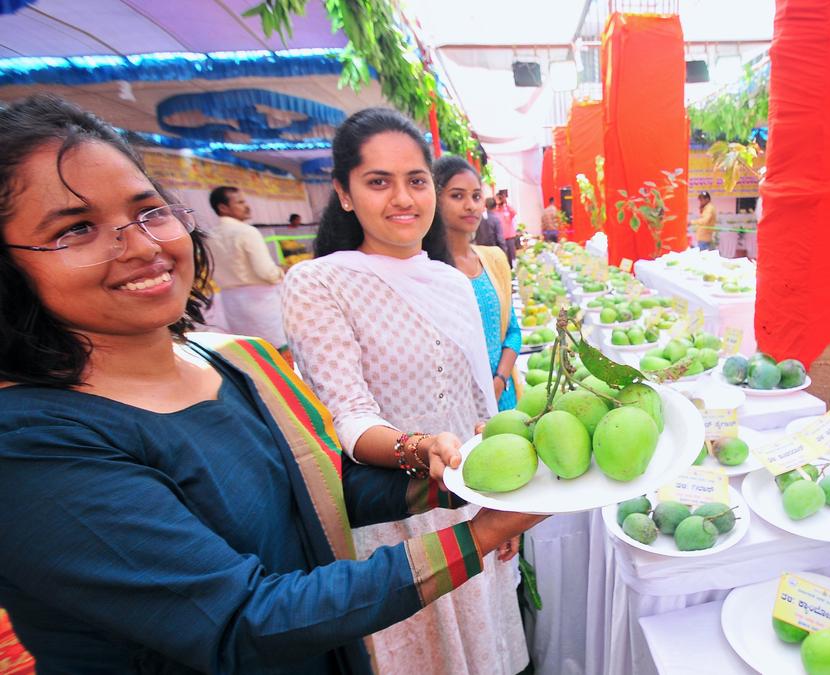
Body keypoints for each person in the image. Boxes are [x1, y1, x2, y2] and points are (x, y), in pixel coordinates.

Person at [0, 94, 543, 674]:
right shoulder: (32, 443)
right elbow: (242, 620)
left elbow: (315, 495)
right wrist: (479, 535)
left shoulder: (228, 360)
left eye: (148, 211)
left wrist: (464, 479)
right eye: (77, 228)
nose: (141, 245)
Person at [281, 108, 530, 675]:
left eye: (416, 180)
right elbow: (347, 416)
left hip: (467, 496)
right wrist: (420, 451)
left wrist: (498, 502)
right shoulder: (319, 283)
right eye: (378, 181)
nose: (403, 198)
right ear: (344, 193)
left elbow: (478, 405)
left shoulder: (450, 279)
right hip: (397, 514)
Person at [423, 155, 521, 411]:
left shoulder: (494, 260)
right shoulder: (428, 271)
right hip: (456, 407)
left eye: (476, 196)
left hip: (504, 398)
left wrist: (499, 380)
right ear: (434, 199)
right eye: (457, 196)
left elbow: (512, 332)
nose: (470, 205)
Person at [206, 185, 288, 348]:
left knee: (251, 354)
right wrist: (281, 271)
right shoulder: (247, 232)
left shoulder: (208, 237)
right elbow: (267, 273)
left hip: (231, 304)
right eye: (240, 202)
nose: (247, 206)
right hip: (260, 304)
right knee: (276, 352)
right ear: (223, 208)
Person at [495, 188, 517, 264]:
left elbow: (514, 213)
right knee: (504, 258)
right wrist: (497, 203)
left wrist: (506, 203)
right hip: (500, 239)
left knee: (512, 257)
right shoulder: (496, 210)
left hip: (510, 238)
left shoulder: (507, 209)